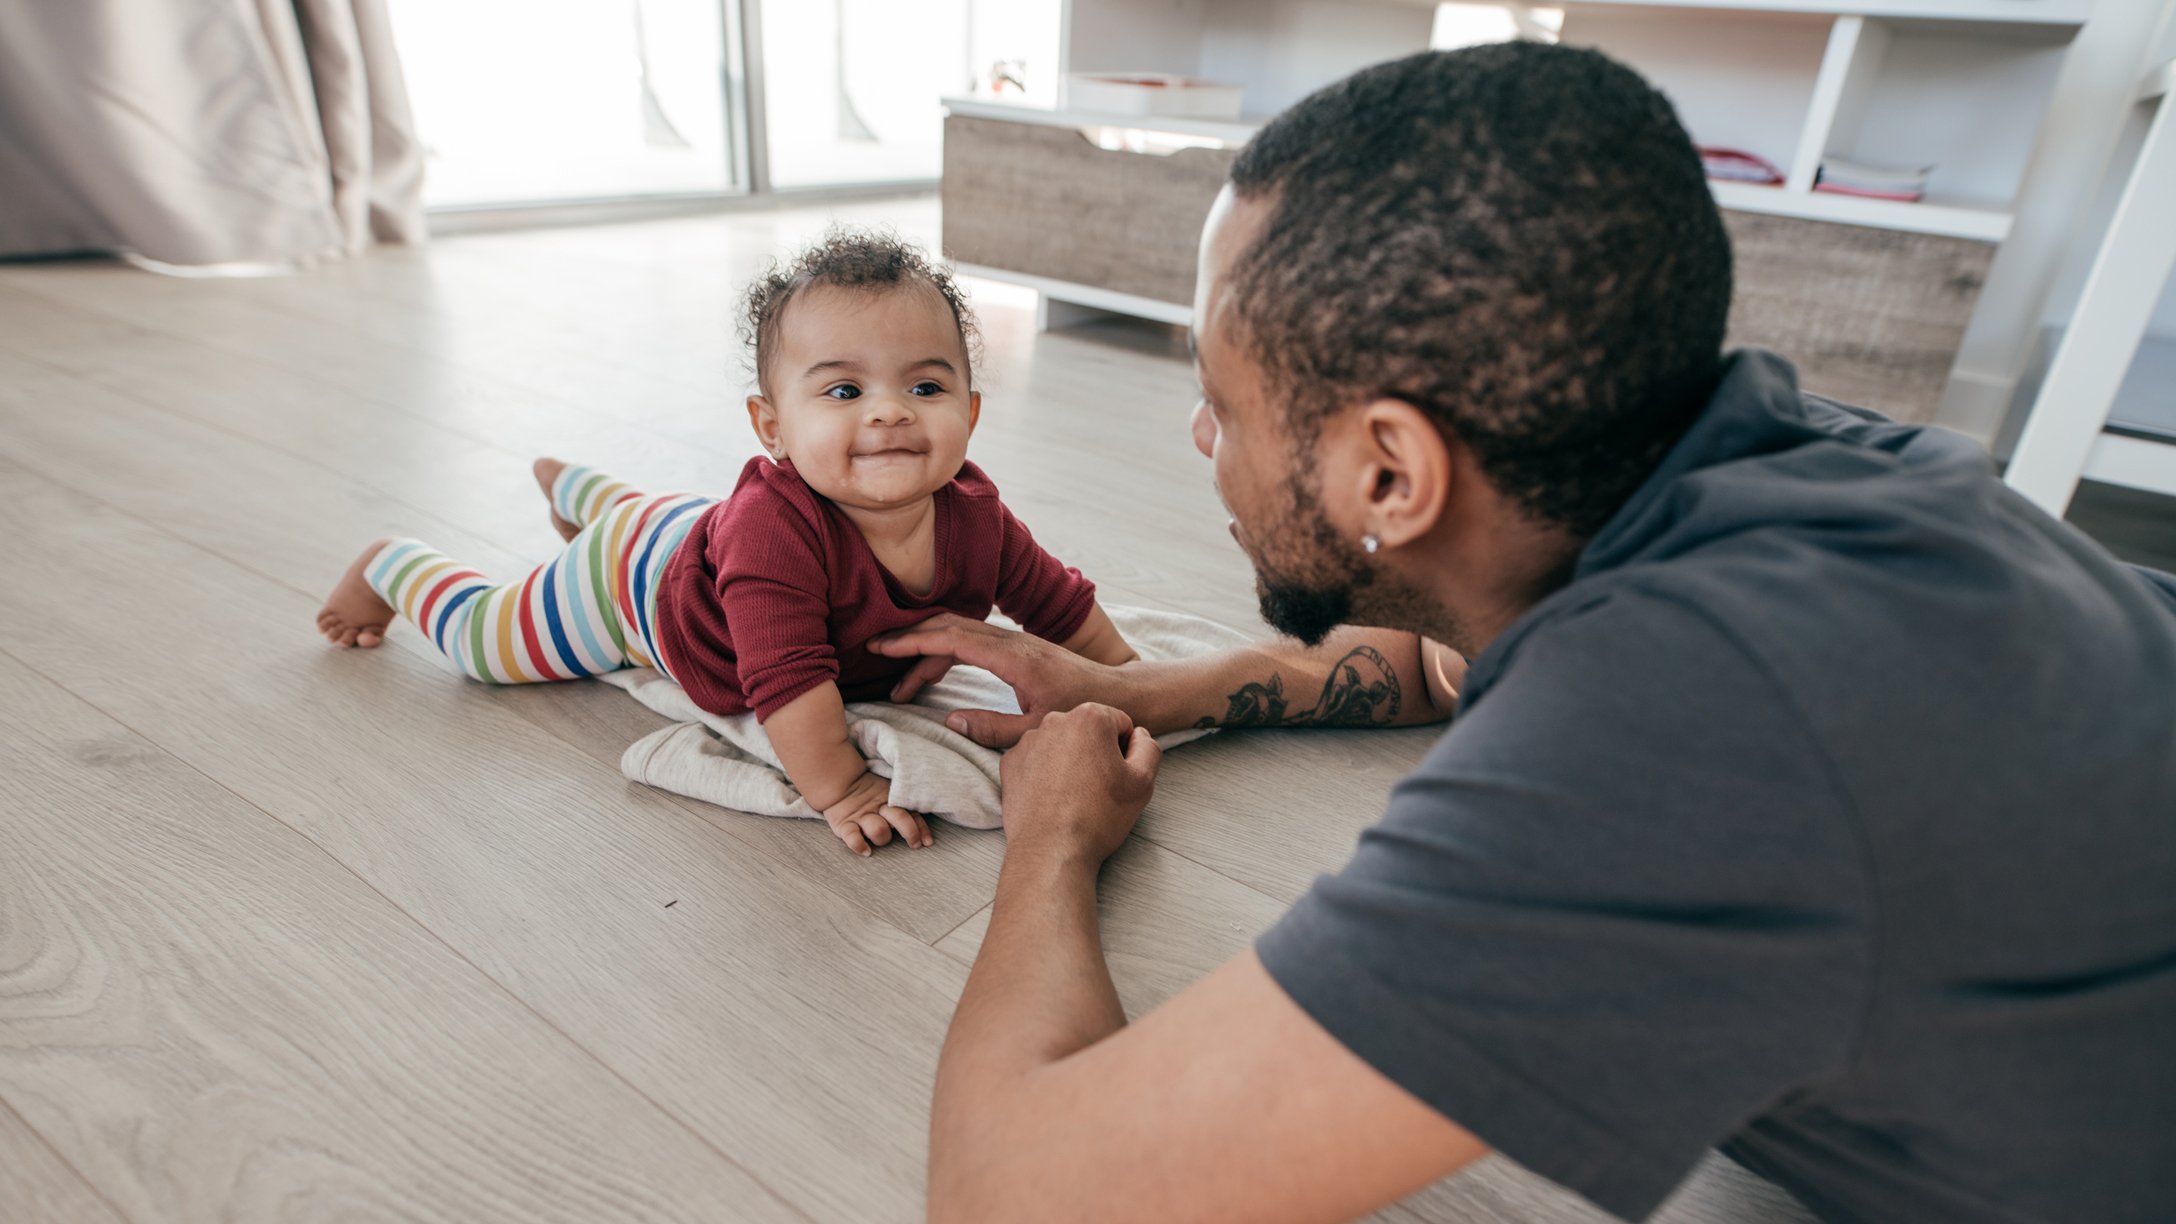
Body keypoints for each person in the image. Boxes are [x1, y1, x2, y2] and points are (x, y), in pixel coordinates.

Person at [877, 44, 2176, 1224]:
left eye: (1221, 400)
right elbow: (1444, 650)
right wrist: (1151, 690)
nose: (1200, 439)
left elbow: (1011, 1194)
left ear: (1391, 475)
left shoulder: (1684, 747)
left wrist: (1051, 835)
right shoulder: (1747, 454)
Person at [314, 233, 1138, 856]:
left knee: (670, 519)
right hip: (628, 587)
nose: (889, 412)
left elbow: (1059, 604)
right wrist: (844, 789)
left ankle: (581, 489)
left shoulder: (976, 513)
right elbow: (786, 680)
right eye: (845, 390)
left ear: (973, 412)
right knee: (489, 648)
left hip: (691, 530)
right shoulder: (772, 534)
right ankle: (395, 565)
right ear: (772, 428)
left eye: (925, 386)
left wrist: (1134, 681)